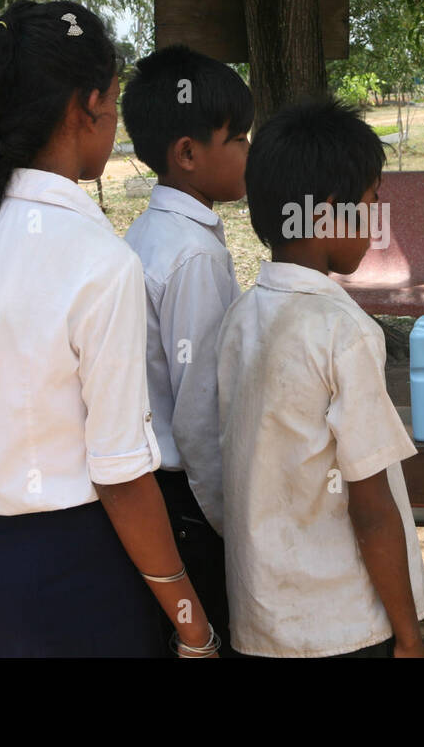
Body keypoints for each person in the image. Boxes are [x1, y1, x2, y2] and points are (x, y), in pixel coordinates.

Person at [0, 0, 216, 657]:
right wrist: (193, 623)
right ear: (88, 109)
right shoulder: (100, 262)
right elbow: (120, 477)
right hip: (82, 576)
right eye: (111, 100)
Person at [218, 96, 424, 658]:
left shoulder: (239, 319)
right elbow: (371, 505)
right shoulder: (345, 331)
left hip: (261, 621)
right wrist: (409, 637)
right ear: (330, 212)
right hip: (343, 627)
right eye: (370, 204)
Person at [121, 44, 253, 655]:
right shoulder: (194, 256)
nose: (249, 153)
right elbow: (200, 415)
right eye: (239, 138)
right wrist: (235, 526)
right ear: (189, 153)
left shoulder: (149, 233)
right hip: (191, 503)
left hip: (161, 492)